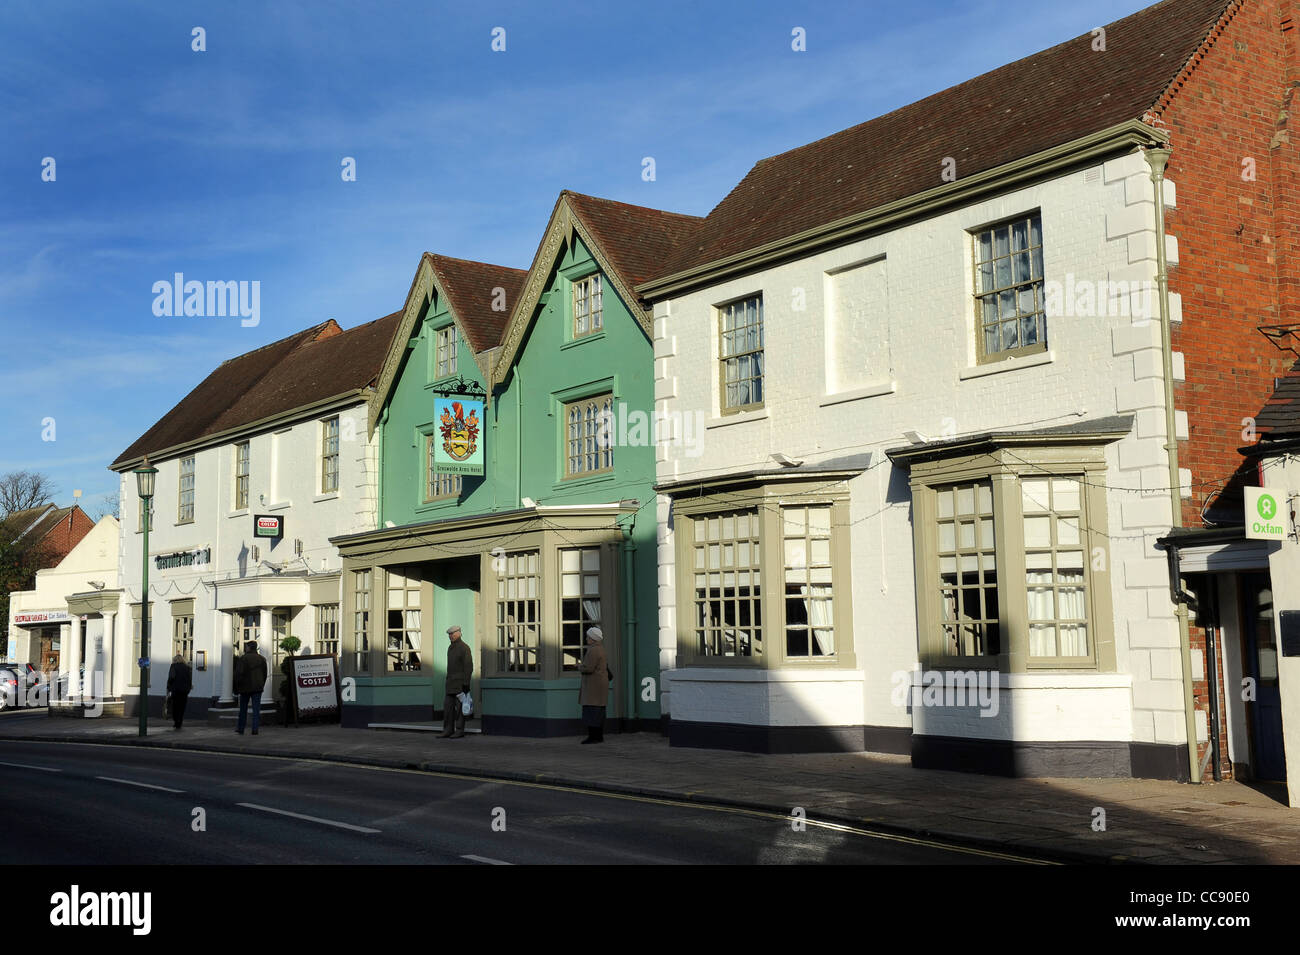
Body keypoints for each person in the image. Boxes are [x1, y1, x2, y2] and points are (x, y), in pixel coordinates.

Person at [579, 626, 612, 744]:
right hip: (600, 685)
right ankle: (598, 736)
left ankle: (593, 737)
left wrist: (578, 667)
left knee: (591, 711)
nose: (587, 638)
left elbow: (588, 668)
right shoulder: (601, 649)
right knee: (599, 711)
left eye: (588, 636)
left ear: (593, 638)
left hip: (593, 685)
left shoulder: (593, 650)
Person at [439, 625, 472, 739]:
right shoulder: (450, 648)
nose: (450, 636)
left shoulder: (464, 648)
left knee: (459, 710)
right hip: (450, 684)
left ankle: (459, 730)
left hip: (460, 684)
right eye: (449, 634)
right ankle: (447, 730)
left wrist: (466, 683)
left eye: (452, 634)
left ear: (459, 633)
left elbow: (468, 667)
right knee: (448, 709)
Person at [233, 640, 268, 735]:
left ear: (249, 648)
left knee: (243, 709)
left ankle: (241, 728)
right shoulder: (262, 659)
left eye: (246, 646)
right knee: (256, 710)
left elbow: (238, 674)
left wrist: (237, 687)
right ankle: (255, 729)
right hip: (257, 688)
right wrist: (261, 685)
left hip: (245, 688)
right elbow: (265, 674)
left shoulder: (243, 659)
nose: (245, 648)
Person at [166, 654, 193, 731]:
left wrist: (168, 687)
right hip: (184, 691)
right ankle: (179, 722)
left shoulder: (173, 666)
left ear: (175, 660)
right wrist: (188, 688)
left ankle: (176, 721)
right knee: (182, 707)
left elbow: (171, 677)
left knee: (175, 706)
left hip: (176, 690)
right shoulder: (187, 668)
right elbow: (189, 679)